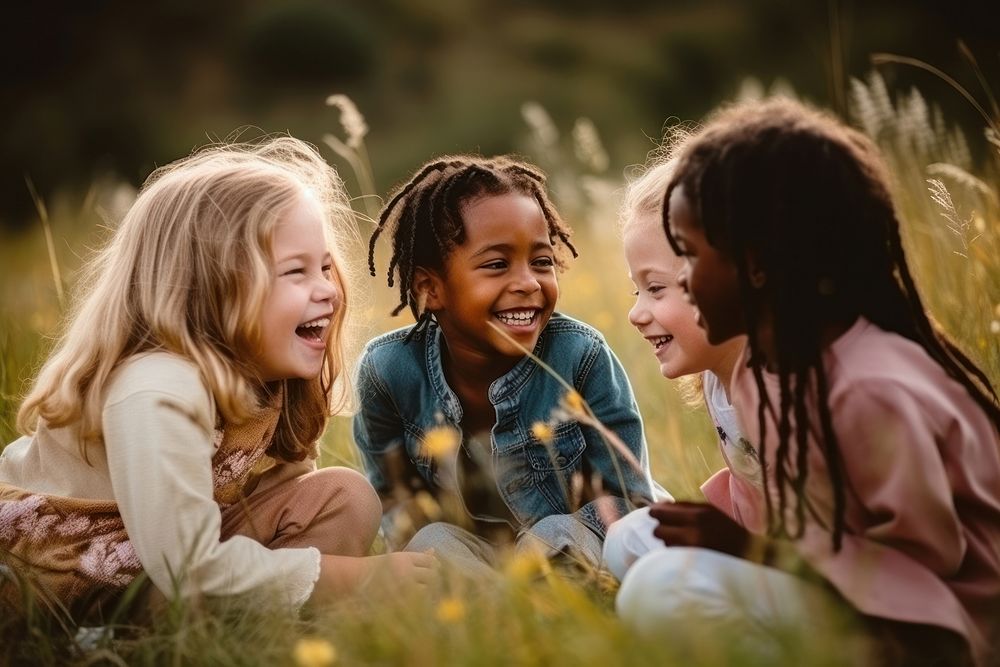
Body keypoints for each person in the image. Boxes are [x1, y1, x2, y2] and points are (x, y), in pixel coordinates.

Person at [617, 97, 1000, 666]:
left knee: (660, 586)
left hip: (941, 630)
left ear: (759, 265)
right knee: (633, 539)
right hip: (839, 591)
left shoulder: (873, 389)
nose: (687, 282)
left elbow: (925, 564)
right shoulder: (762, 368)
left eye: (692, 260)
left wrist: (754, 554)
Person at [0, 137, 435, 624]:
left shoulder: (265, 373)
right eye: (296, 271)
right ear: (210, 288)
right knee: (191, 591)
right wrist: (358, 578)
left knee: (344, 497)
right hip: (62, 582)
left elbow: (270, 495)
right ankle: (106, 643)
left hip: (156, 561)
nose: (328, 290)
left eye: (326, 267)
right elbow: (185, 569)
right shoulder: (157, 388)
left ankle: (279, 633)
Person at [354, 154, 658, 575]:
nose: (529, 283)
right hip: (473, 555)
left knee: (554, 533)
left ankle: (536, 604)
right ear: (429, 288)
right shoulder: (388, 370)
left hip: (577, 540)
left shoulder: (580, 356)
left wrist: (550, 545)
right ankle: (500, 611)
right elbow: (395, 501)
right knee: (428, 543)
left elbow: (631, 501)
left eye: (542, 261)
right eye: (497, 264)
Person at [602, 143, 752, 581]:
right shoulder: (718, 380)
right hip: (761, 548)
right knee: (626, 536)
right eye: (637, 291)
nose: (636, 313)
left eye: (656, 288)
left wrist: (743, 548)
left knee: (655, 589)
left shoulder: (789, 389)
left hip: (830, 584)